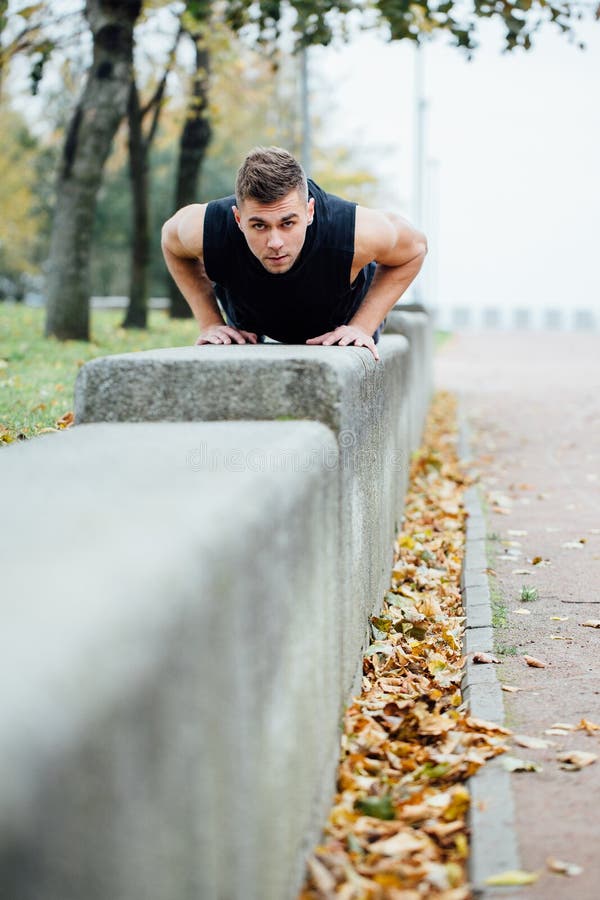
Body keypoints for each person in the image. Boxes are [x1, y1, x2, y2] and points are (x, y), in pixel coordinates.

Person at [161, 146, 427, 362]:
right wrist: (209, 323)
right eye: (259, 226)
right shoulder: (207, 229)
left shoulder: (353, 231)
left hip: (337, 319)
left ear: (309, 211)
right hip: (252, 318)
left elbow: (415, 248)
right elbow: (169, 241)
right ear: (238, 218)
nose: (275, 242)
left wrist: (362, 326)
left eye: (288, 223)